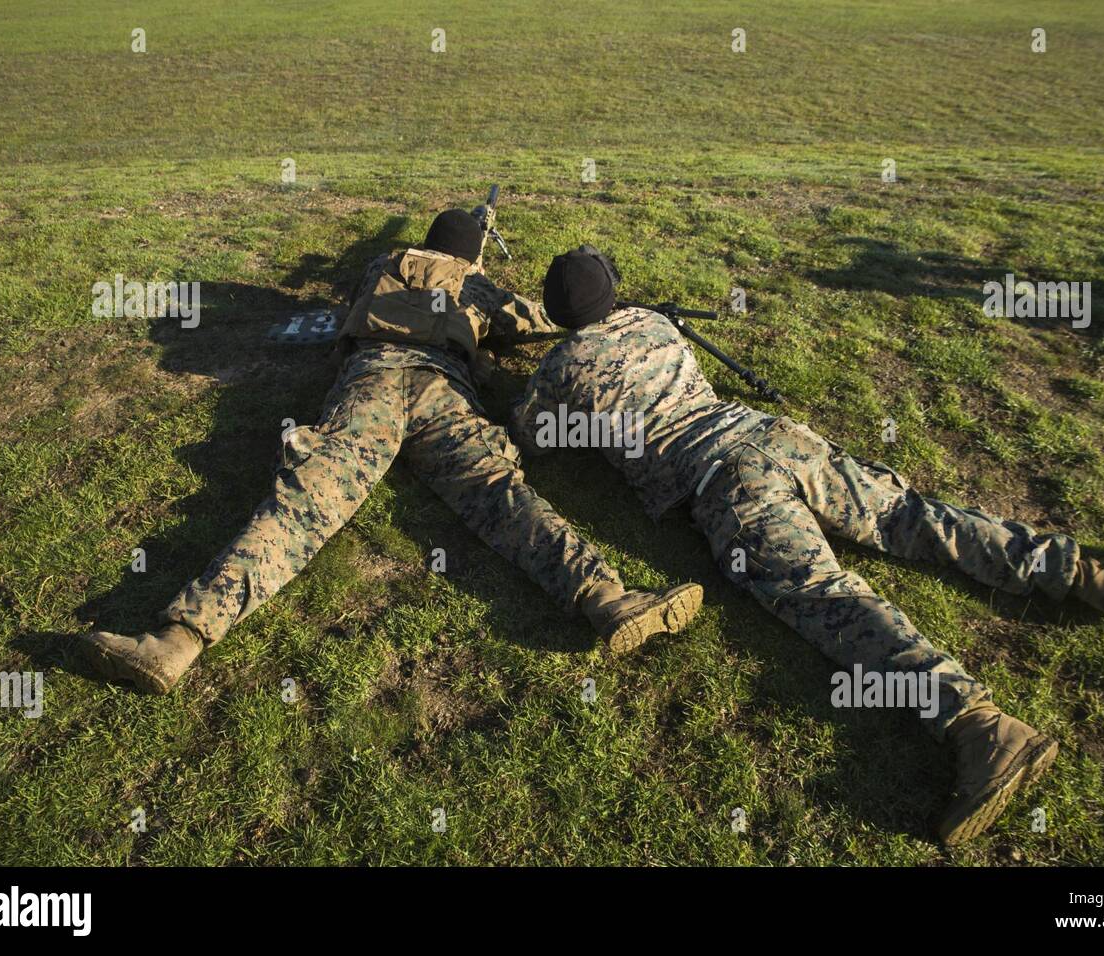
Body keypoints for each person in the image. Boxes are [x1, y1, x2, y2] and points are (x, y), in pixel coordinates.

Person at [509, 246, 1104, 843]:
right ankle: (1088, 575)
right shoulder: (654, 322)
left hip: (724, 482)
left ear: (560, 314)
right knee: (908, 515)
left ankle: (978, 728)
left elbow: (534, 435)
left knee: (824, 595)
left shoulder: (562, 366)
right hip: (776, 435)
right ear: (616, 294)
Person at [76, 215, 703, 695]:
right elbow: (545, 318)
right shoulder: (476, 286)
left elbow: (357, 302)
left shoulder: (384, 263)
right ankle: (608, 598)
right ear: (471, 251)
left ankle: (177, 640)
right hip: (443, 390)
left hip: (370, 381)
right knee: (502, 497)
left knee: (306, 501)